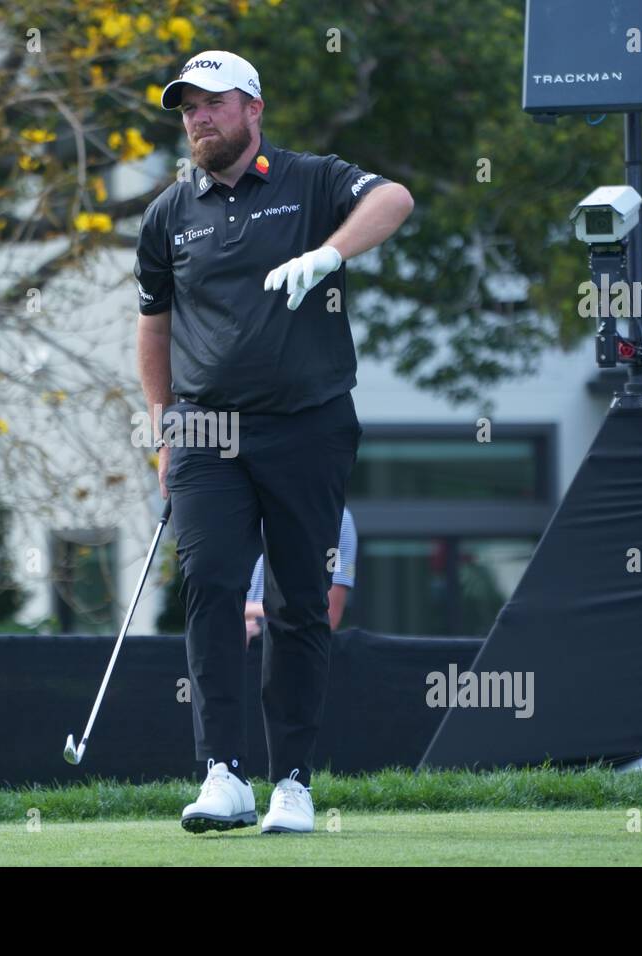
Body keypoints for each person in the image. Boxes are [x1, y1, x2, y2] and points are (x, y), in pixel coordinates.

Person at [135, 51, 413, 833]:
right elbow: (153, 326)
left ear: (253, 107)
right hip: (203, 432)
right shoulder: (167, 214)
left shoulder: (310, 180)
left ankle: (292, 780)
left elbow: (395, 198)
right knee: (213, 588)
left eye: (212, 104)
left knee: (297, 604)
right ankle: (223, 773)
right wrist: (163, 426)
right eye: (187, 107)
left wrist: (329, 253)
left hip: (309, 424)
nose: (197, 118)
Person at [245, 506, 357, 644]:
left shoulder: (335, 516)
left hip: (288, 646)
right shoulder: (230, 506)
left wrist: (247, 614)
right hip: (229, 645)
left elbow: (328, 615)